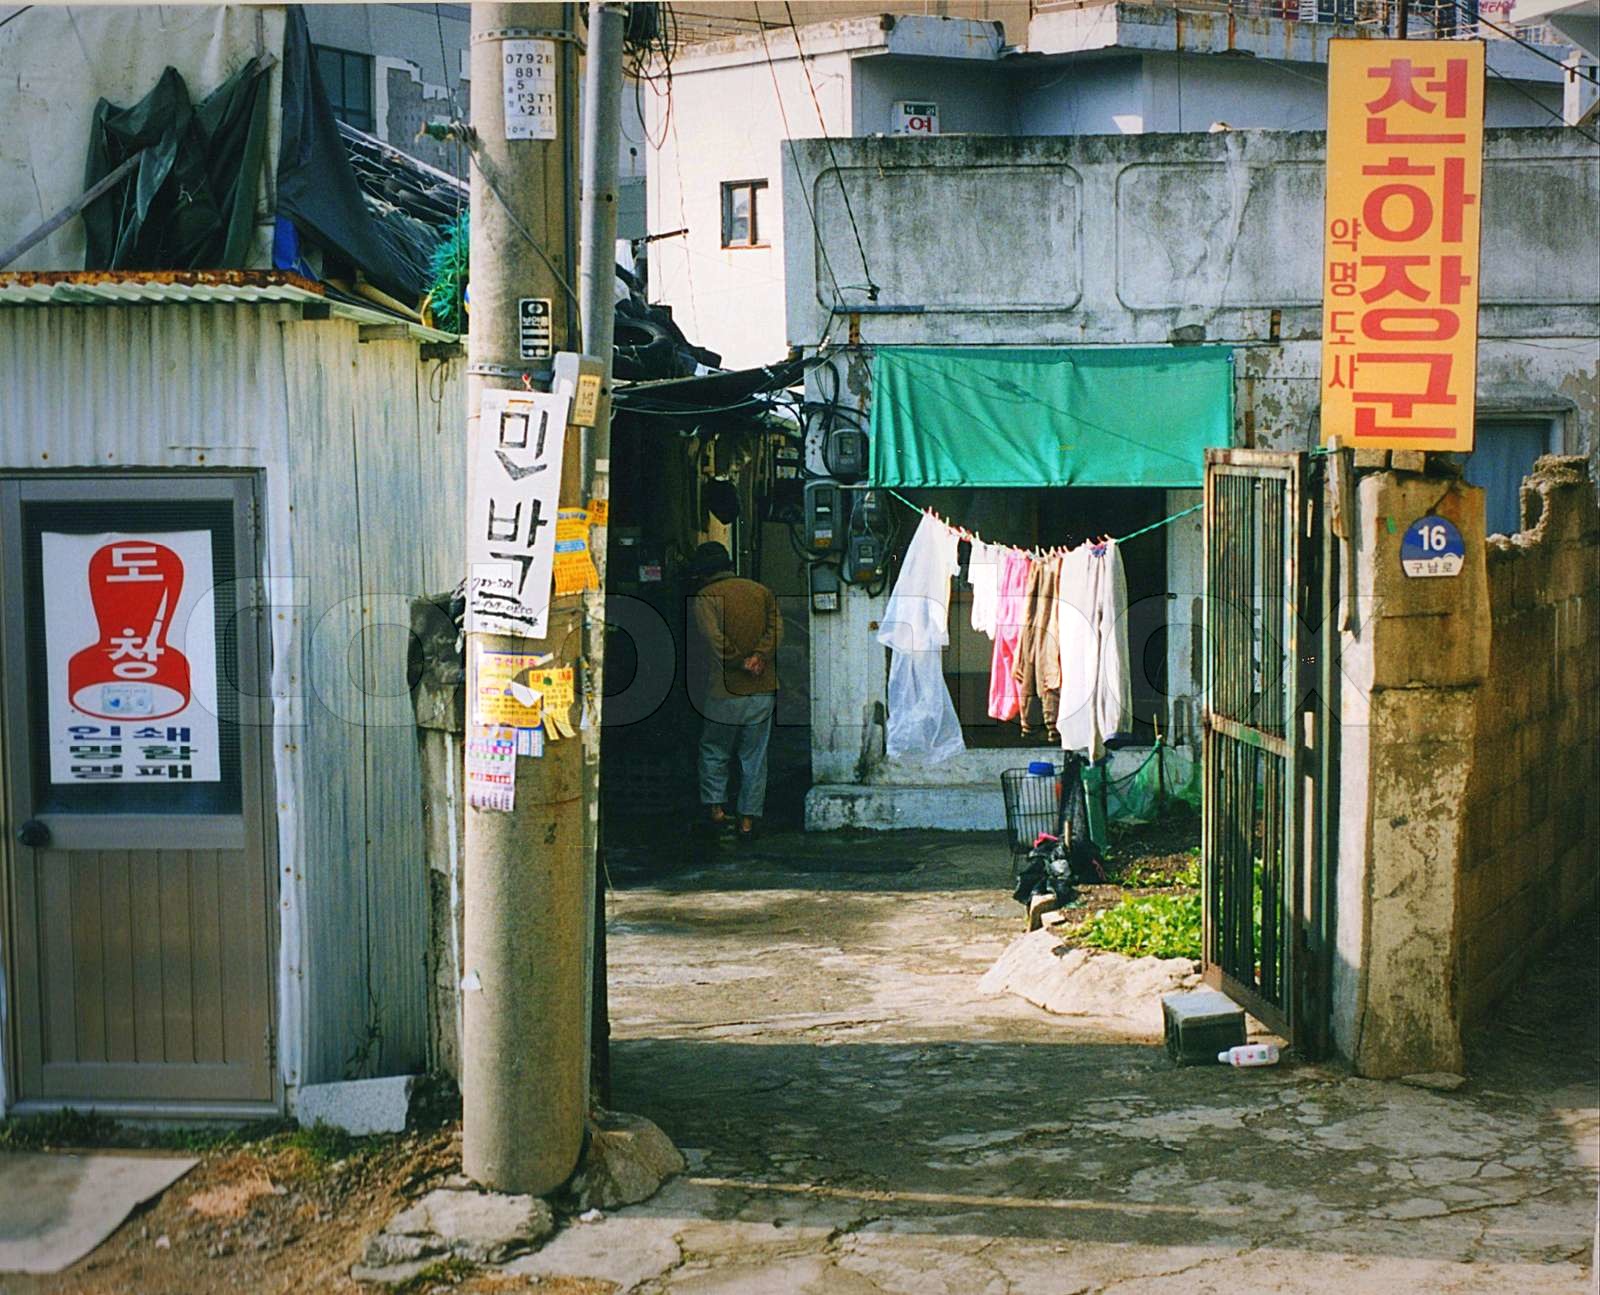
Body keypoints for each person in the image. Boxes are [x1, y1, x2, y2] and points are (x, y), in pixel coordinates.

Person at [688, 541, 780, 842]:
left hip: (725, 690)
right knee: (755, 756)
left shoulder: (706, 597)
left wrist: (739, 661)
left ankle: (716, 810)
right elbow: (776, 629)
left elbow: (714, 640)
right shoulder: (760, 591)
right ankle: (747, 821)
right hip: (762, 688)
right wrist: (759, 657)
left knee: (715, 750)